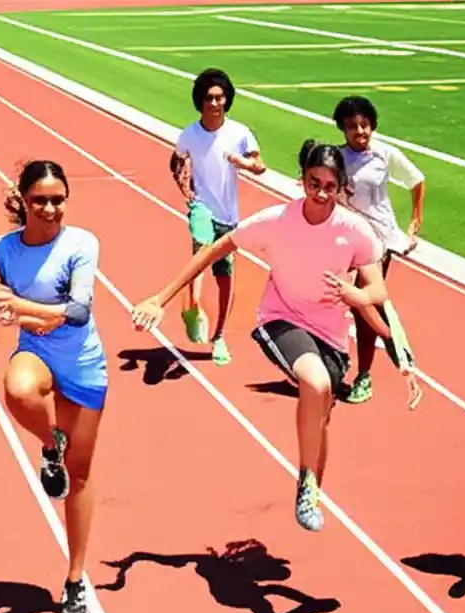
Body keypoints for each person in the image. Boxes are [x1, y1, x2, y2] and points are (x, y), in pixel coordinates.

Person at [134, 140, 407, 534]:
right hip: (281, 320)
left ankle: (312, 484)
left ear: (342, 187)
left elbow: (378, 293)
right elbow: (216, 249)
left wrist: (358, 297)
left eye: (330, 186)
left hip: (331, 335)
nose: (321, 193)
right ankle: (306, 482)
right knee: (314, 382)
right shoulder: (277, 220)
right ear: (302, 181)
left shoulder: (356, 231)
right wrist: (161, 298)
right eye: (314, 183)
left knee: (323, 405)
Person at [0, 160, 106, 613]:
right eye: (40, 201)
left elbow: (77, 313)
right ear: (24, 200)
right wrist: (29, 314)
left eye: (58, 199)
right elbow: (18, 318)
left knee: (81, 475)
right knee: (17, 391)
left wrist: (26, 309)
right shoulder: (7, 251)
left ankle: (75, 578)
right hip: (36, 352)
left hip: (84, 367)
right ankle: (49, 446)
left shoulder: (82, 244)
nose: (50, 209)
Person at [330, 96, 426, 404]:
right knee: (342, 298)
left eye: (364, 125)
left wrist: (415, 221)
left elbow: (416, 179)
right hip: (346, 238)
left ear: (372, 125)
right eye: (352, 126)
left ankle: (366, 374)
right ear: (342, 129)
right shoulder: (337, 157)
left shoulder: (385, 154)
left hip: (379, 239)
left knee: (362, 303)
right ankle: (385, 339)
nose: (359, 131)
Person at [169, 68, 266, 366]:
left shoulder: (239, 133)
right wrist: (186, 189)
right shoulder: (189, 134)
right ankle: (194, 308)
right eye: (209, 98)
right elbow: (176, 162)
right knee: (201, 246)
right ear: (200, 100)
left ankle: (219, 335)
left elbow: (260, 165)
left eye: (219, 97)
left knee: (224, 278)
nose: (214, 103)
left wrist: (243, 163)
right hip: (202, 208)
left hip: (228, 215)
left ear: (227, 100)